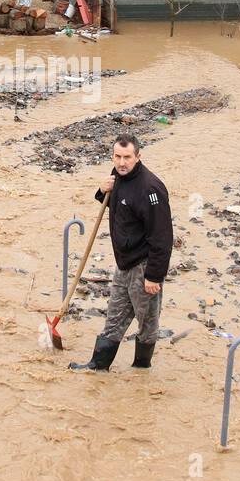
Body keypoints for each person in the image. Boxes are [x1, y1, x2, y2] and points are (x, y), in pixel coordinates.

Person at [70, 134, 173, 372]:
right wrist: (100, 191)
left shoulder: (151, 189)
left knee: (146, 321)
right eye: (117, 156)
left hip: (144, 266)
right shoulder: (117, 175)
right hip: (123, 263)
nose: (122, 162)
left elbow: (162, 237)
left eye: (127, 157)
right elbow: (115, 204)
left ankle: (141, 368)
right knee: (114, 315)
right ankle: (98, 365)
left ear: (138, 157)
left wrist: (154, 276)